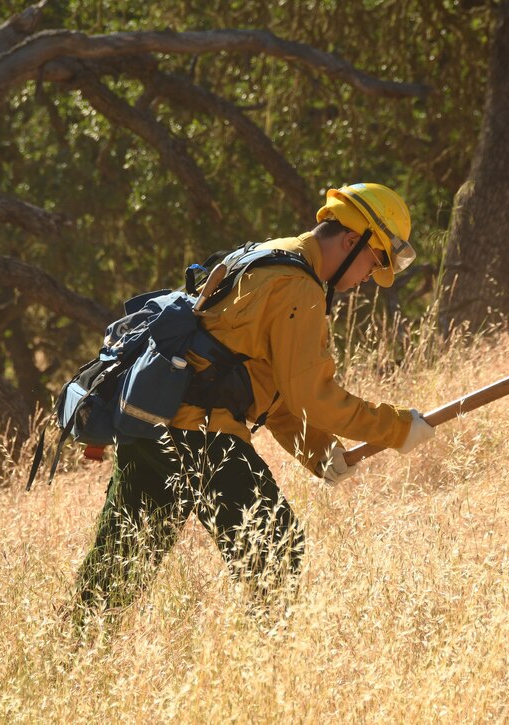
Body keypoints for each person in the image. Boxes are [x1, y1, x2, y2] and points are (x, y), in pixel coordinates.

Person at [73, 183, 435, 617]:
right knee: (277, 553)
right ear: (351, 240)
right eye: (374, 263)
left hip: (152, 427)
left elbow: (264, 384)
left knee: (118, 566)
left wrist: (317, 451)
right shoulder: (297, 287)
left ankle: (68, 653)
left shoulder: (269, 255)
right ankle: (271, 669)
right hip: (201, 437)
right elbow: (312, 398)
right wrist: (397, 428)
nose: (368, 280)